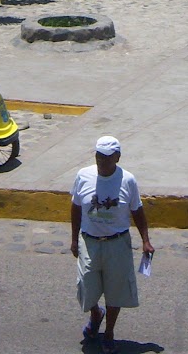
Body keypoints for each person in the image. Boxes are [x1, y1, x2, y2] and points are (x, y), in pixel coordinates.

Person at [70, 135, 153, 353]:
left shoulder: (128, 180)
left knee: (115, 290)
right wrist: (74, 238)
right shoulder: (83, 176)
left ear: (117, 157)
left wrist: (145, 240)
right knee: (86, 286)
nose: (102, 161)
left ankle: (109, 332)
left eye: (107, 157)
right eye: (99, 156)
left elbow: (137, 210)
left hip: (117, 243)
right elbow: (76, 207)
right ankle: (96, 313)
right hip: (89, 242)